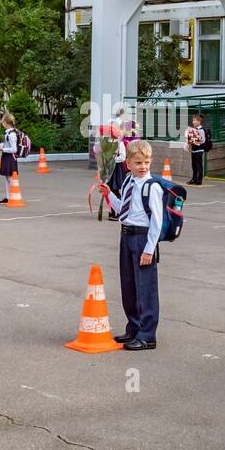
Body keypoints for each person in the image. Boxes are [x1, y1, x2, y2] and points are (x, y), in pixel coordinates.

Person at [100, 139, 162, 351]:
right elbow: (121, 209)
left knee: (145, 287)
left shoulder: (152, 187)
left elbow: (157, 220)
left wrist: (149, 249)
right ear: (128, 163)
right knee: (129, 284)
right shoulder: (128, 181)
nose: (143, 166)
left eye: (146, 162)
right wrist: (109, 194)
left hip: (143, 237)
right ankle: (134, 327)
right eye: (138, 162)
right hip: (126, 235)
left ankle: (147, 335)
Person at [0, 112, 21, 203]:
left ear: (6, 122)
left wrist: (2, 149)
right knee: (7, 177)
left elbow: (14, 149)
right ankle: (8, 197)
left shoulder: (12, 134)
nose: (2, 124)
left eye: (2, 122)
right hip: (6, 157)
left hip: (10, 158)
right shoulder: (8, 133)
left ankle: (13, 196)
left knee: (10, 178)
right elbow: (6, 144)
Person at [186, 112, 210, 186]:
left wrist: (195, 140)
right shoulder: (193, 129)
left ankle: (199, 180)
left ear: (199, 122)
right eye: (193, 120)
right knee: (194, 165)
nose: (193, 122)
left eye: (195, 120)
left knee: (199, 165)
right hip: (194, 150)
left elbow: (203, 140)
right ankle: (194, 179)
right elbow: (191, 140)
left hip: (199, 150)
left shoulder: (201, 130)